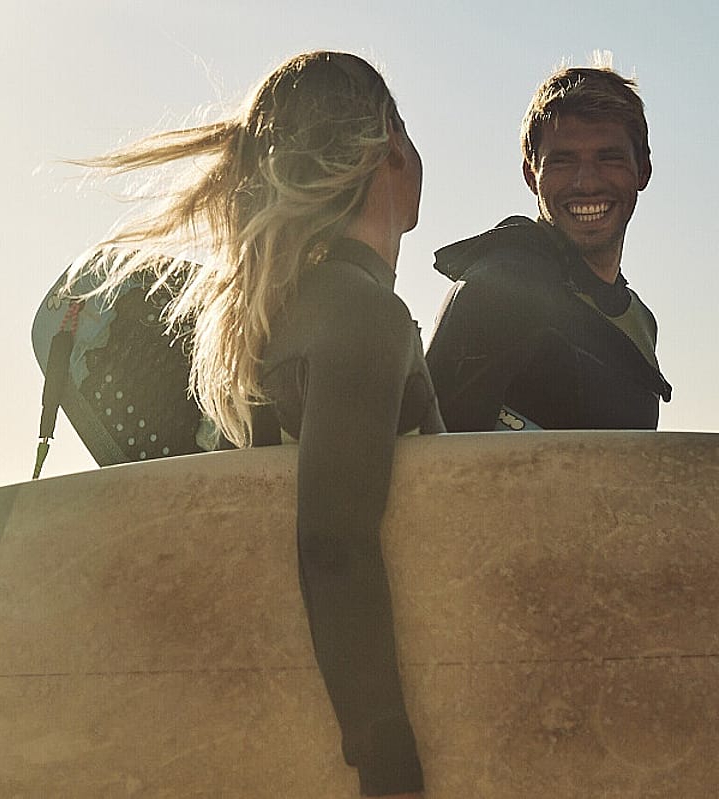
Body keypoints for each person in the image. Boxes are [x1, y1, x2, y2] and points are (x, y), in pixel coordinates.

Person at [71, 51, 438, 797]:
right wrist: (386, 753)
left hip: (273, 721)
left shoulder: (273, 317)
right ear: (391, 149)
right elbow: (333, 543)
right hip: (374, 728)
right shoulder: (362, 313)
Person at [424, 65, 672, 431]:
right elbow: (432, 463)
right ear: (531, 175)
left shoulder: (639, 320)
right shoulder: (498, 288)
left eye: (609, 157)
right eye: (562, 160)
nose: (586, 182)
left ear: (643, 171)